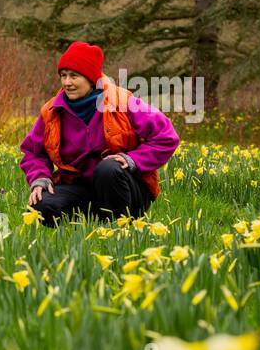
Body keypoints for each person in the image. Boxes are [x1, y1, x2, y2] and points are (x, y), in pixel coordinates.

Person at [20, 41, 180, 226]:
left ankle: (119, 226)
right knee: (41, 207)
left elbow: (166, 137)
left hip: (123, 187)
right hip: (79, 188)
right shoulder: (52, 111)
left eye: (74, 76)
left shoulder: (123, 102)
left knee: (108, 168)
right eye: (63, 76)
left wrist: (133, 160)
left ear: (91, 79)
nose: (67, 82)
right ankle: (87, 227)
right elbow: (33, 152)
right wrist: (40, 178)